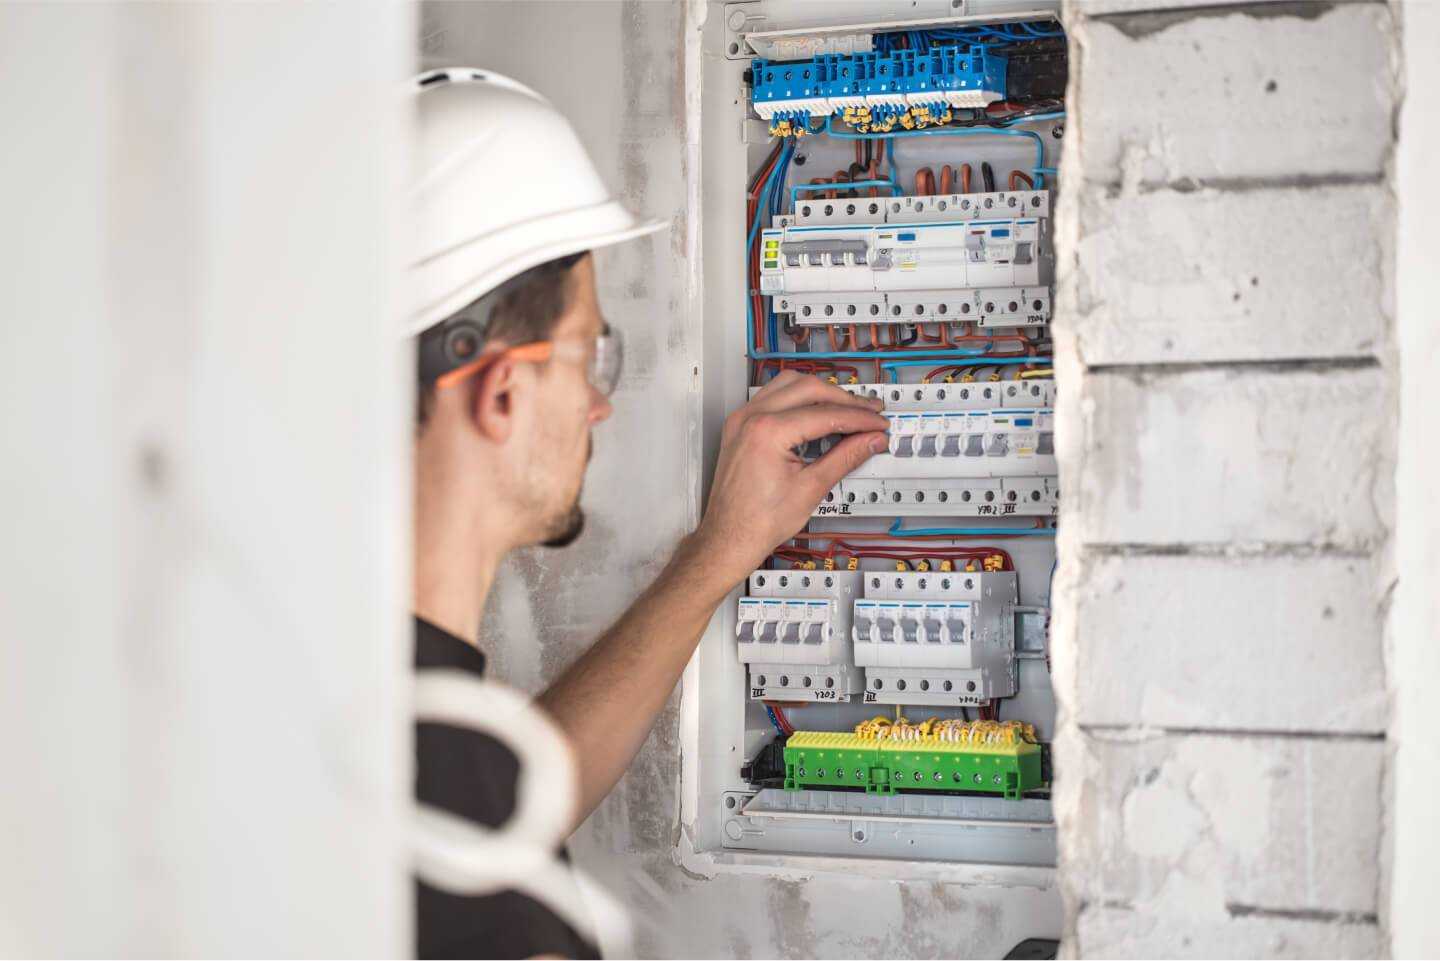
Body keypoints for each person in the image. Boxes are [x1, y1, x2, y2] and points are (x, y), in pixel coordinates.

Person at [407, 68, 889, 958]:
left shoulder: (363, 710)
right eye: (591, 355)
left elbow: (510, 794)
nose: (599, 404)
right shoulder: (448, 824)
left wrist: (717, 556)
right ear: (501, 390)